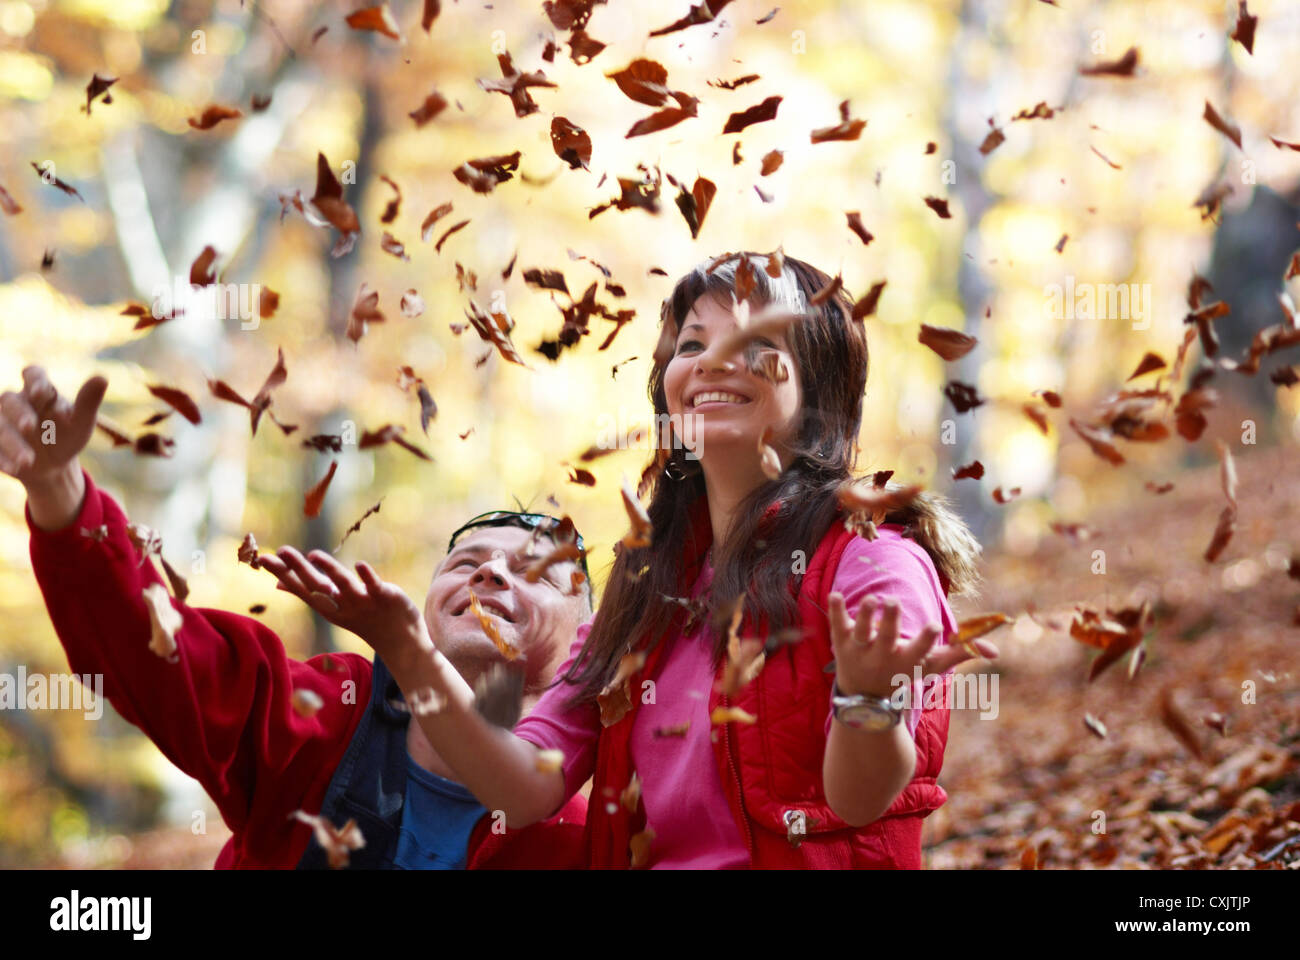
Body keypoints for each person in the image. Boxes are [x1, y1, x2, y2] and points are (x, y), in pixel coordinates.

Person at [235, 250, 1000, 869]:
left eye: (756, 345)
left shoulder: (870, 564)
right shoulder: (645, 595)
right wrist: (406, 648)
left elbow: (861, 802)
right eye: (693, 344)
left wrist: (865, 698)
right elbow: (521, 785)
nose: (712, 361)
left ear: (821, 390)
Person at [0, 366, 589, 869]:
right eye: (465, 563)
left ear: (587, 640)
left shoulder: (592, 830)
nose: (489, 576)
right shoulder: (330, 712)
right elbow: (158, 656)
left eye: (534, 571)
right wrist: (59, 492)